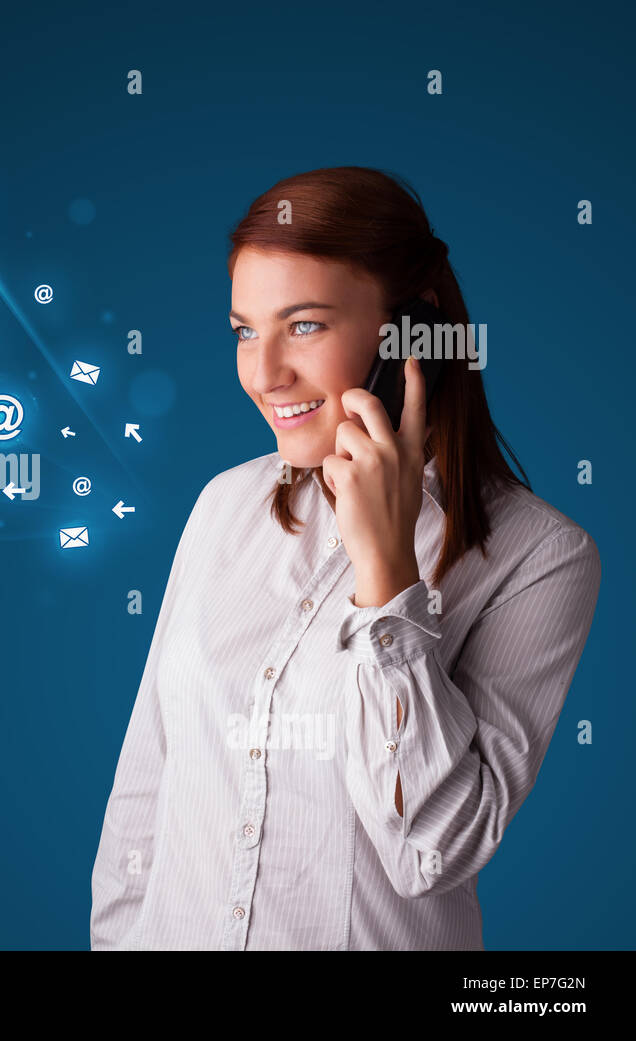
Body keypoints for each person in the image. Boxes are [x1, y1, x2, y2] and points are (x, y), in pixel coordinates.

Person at [89, 166, 601, 950]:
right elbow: (147, 785)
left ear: (405, 336)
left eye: (304, 325)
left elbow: (432, 851)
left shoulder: (540, 558)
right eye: (244, 330)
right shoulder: (222, 505)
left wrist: (389, 575)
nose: (264, 375)